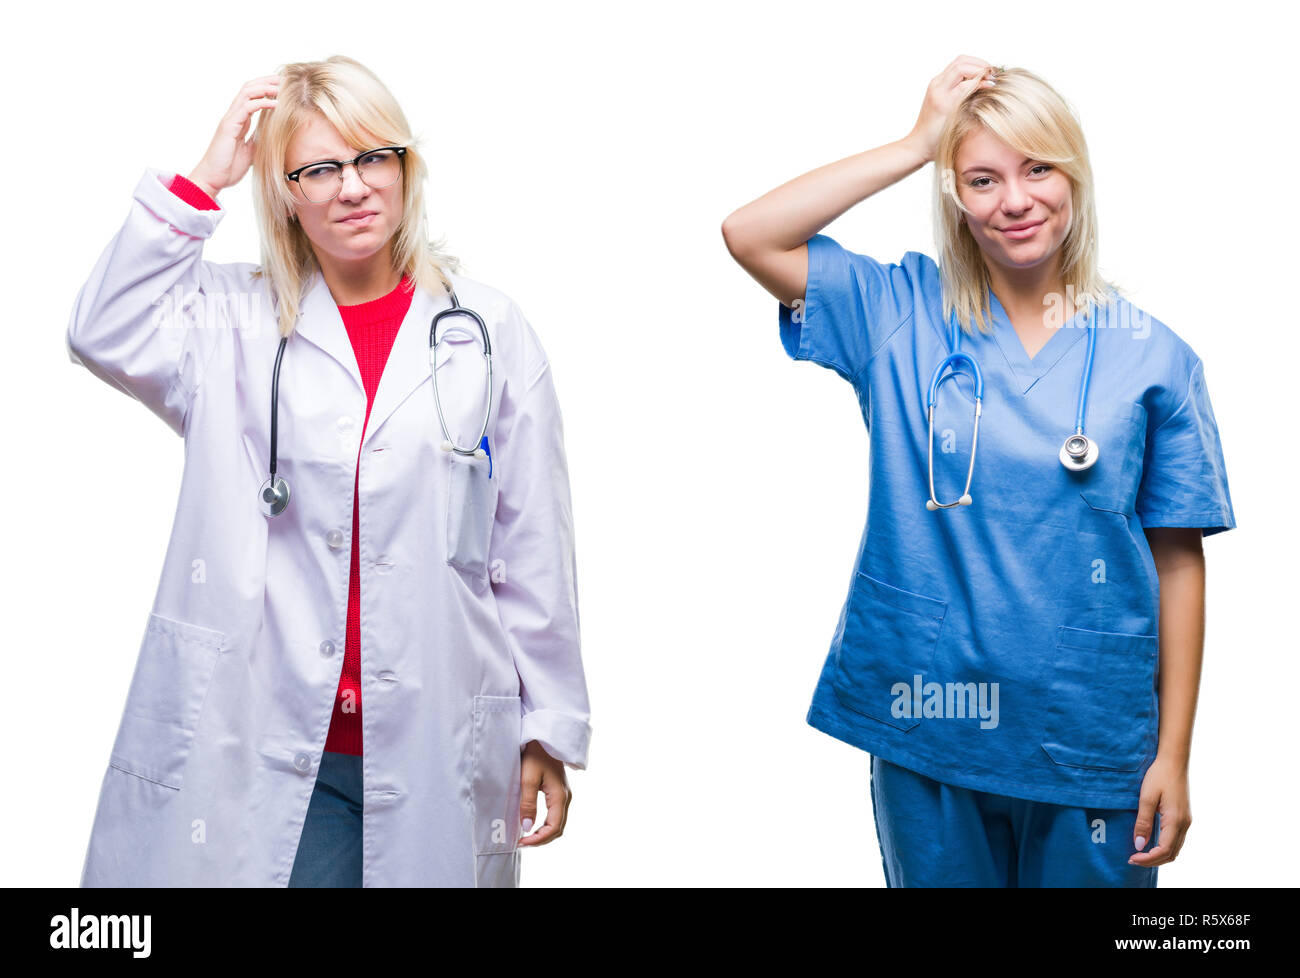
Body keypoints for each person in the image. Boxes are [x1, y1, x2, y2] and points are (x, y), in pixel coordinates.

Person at [68, 56, 591, 887]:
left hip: (434, 733)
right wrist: (205, 179)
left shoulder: (487, 330)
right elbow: (103, 326)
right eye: (319, 168)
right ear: (283, 193)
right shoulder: (228, 321)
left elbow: (531, 546)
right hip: (267, 734)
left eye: (373, 157)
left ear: (405, 168)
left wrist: (546, 727)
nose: (353, 187)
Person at [721, 56, 1235, 887]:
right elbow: (752, 233)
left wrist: (1174, 753)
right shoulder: (897, 313)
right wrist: (918, 141)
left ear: (1075, 174)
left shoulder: (1155, 359)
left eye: (1039, 168)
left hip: (1091, 738)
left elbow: (1178, 561)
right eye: (982, 178)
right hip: (932, 724)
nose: (1017, 200)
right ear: (954, 196)